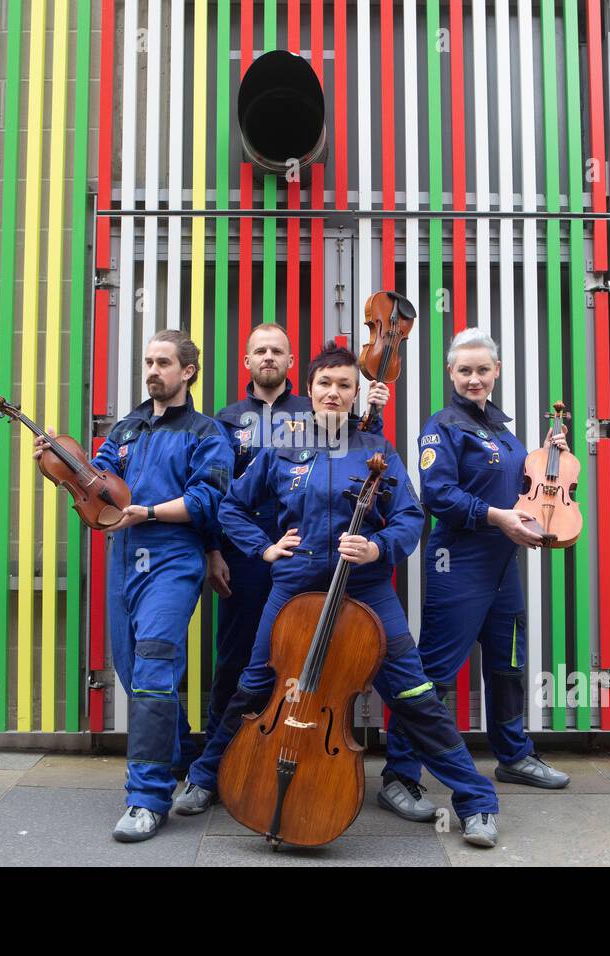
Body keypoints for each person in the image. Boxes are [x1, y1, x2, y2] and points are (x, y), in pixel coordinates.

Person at [175, 343, 502, 847]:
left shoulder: (375, 449)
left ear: (356, 394)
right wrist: (264, 550)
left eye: (344, 385)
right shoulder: (283, 446)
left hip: (367, 592)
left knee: (415, 697)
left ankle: (476, 803)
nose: (333, 393)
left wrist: (377, 547)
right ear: (309, 391)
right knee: (255, 687)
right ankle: (203, 778)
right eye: (325, 383)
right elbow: (233, 508)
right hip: (293, 586)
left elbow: (410, 518)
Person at [33, 329, 233, 842]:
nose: (152, 370)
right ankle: (187, 758)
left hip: (172, 558)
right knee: (135, 674)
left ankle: (146, 798)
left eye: (163, 362)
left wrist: (147, 511)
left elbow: (208, 500)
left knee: (151, 665)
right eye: (148, 361)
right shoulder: (127, 427)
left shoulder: (207, 432)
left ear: (188, 371)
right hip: (122, 559)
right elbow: (97, 479)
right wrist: (57, 460)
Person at [383, 327, 572, 791]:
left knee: (508, 664)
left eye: (482, 370)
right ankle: (400, 775)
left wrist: (554, 461)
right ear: (451, 372)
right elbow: (438, 495)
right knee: (436, 671)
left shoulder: (503, 434)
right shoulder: (442, 426)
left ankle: (513, 756)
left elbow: (531, 496)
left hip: (504, 566)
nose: (474, 379)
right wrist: (496, 518)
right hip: (458, 562)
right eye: (465, 370)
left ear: (497, 371)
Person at [200, 323, 389, 764]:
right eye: (260, 350)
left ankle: (288, 749)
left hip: (307, 548)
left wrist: (374, 414)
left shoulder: (315, 407)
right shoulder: (226, 419)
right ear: (247, 361)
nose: (268, 357)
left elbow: (358, 454)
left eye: (277, 350)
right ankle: (219, 756)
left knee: (305, 656)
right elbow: (222, 494)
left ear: (290, 363)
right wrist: (223, 548)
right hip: (249, 555)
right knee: (240, 658)